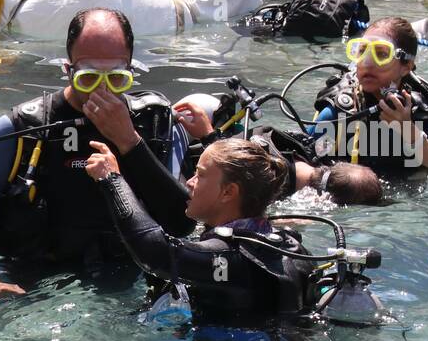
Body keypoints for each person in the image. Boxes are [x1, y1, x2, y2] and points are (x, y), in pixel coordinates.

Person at [0, 7, 194, 308]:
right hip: (36, 284)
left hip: (131, 279)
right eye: (88, 78)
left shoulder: (153, 124)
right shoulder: (21, 128)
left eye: (116, 79)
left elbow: (183, 224)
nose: (102, 89)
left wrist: (128, 141)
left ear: (130, 70)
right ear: (68, 70)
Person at [85, 134, 322, 320]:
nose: (190, 182)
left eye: (200, 174)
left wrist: (111, 179)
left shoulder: (235, 256)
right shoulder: (281, 242)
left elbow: (154, 252)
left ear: (228, 192)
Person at [310, 16, 428, 175]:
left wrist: (411, 134)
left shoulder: (419, 111)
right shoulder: (340, 111)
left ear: (406, 67)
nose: (367, 63)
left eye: (381, 54)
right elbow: (300, 159)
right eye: (362, 51)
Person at [175, 94, 382, 204]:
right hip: (202, 152)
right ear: (324, 198)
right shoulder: (268, 183)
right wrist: (208, 136)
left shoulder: (305, 150)